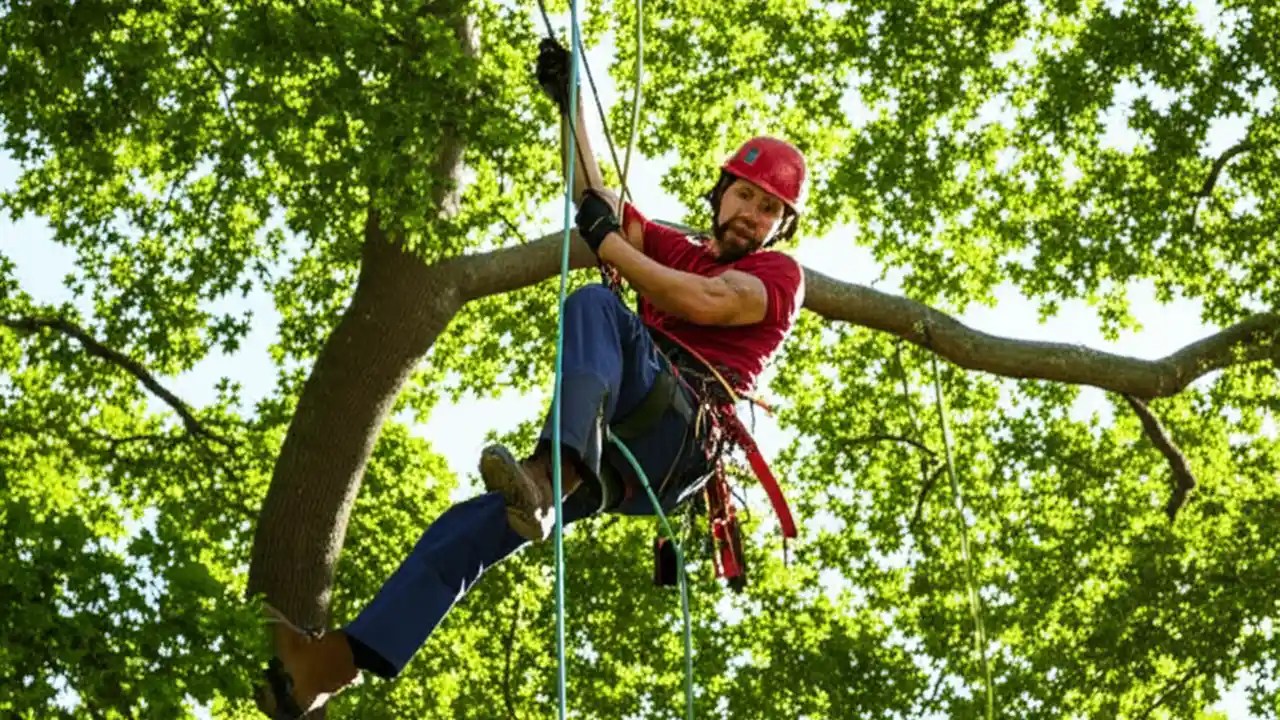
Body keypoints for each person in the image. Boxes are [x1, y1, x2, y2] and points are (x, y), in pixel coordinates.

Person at [253, 38, 808, 719]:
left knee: (596, 303)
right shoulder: (679, 247)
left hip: (678, 432)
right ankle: (325, 669)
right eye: (744, 195)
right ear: (721, 194)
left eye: (769, 209)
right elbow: (596, 199)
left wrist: (605, 243)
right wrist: (569, 101)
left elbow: (701, 303)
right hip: (622, 443)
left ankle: (548, 479)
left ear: (781, 226)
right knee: (473, 527)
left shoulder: (778, 277)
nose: (751, 213)